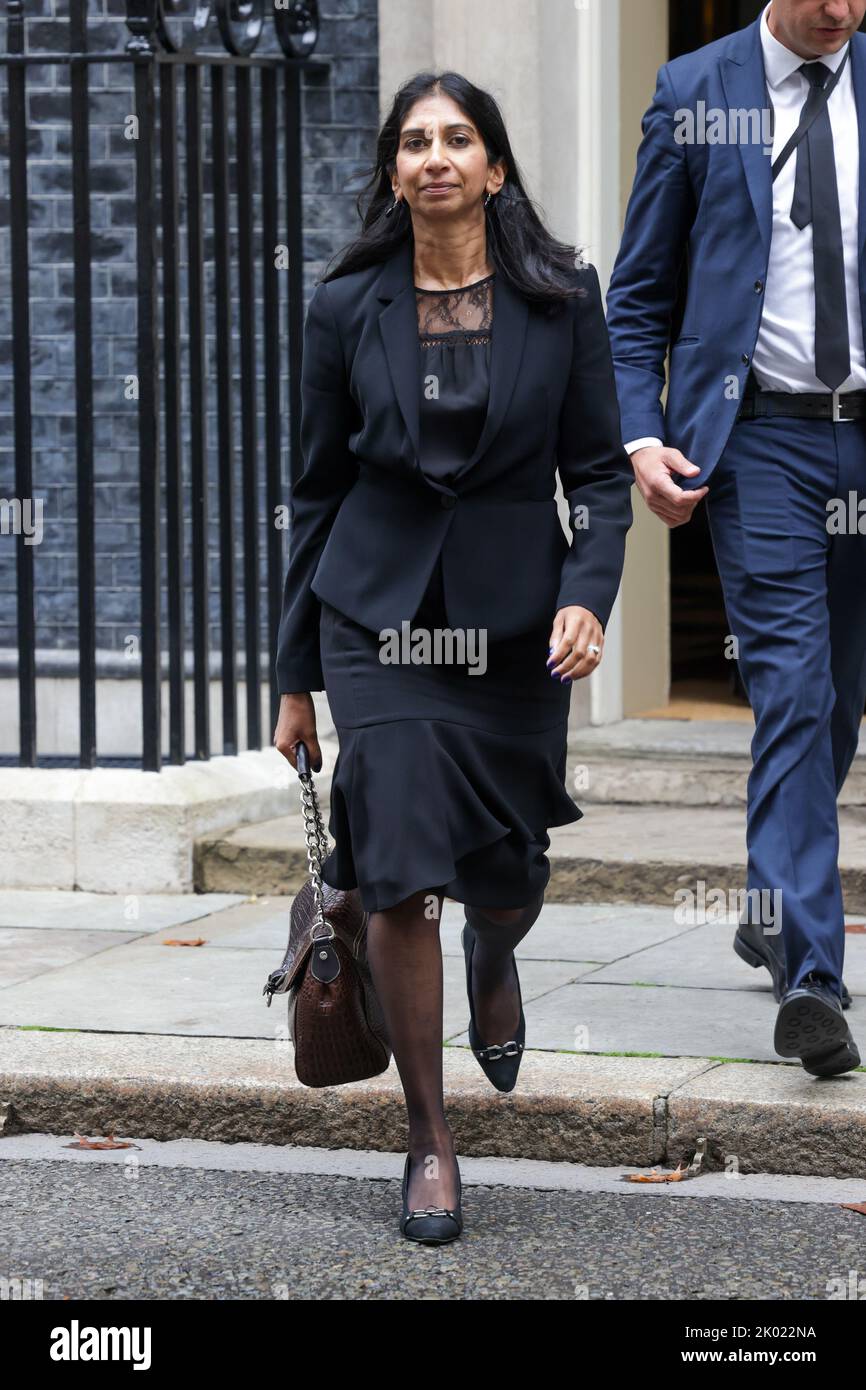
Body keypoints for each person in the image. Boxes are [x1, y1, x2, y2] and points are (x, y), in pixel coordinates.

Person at [273, 70, 633, 1242]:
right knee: (399, 860)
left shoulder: (559, 297)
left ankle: (497, 945)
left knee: (509, 868)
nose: (436, 155)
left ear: (492, 166)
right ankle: (429, 1137)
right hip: (375, 623)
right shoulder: (344, 308)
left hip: (513, 624)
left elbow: (594, 472)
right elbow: (316, 492)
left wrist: (586, 596)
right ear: (393, 173)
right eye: (414, 141)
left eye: (458, 138)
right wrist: (291, 677)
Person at [606, 0, 865, 1076]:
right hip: (761, 443)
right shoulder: (693, 93)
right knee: (794, 695)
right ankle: (812, 974)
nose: (839, 13)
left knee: (841, 696)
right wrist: (638, 434)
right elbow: (636, 298)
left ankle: (768, 899)